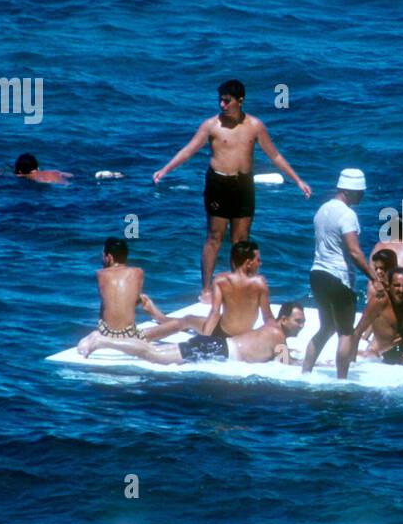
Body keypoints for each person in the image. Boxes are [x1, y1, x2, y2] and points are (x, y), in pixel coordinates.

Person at [151, 79, 312, 302]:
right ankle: (206, 289)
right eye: (220, 100)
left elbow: (274, 155)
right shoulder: (211, 125)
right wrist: (165, 169)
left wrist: (298, 181)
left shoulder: (255, 126)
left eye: (227, 101)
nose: (222, 105)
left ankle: (238, 286)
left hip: (243, 185)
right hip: (218, 184)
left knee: (241, 240)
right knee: (215, 237)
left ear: (240, 101)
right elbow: (189, 150)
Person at [301, 169, 382, 379]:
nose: (363, 195)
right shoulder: (348, 215)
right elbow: (354, 252)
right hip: (338, 277)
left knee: (325, 327)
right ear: (352, 191)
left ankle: (305, 372)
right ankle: (342, 380)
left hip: (317, 274)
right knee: (346, 331)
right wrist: (374, 277)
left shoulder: (322, 210)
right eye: (361, 191)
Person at [78, 302, 307, 365]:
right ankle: (102, 340)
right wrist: (320, 363)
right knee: (154, 355)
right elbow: (287, 363)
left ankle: (105, 339)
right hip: (216, 349)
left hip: (216, 346)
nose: (302, 325)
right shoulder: (278, 335)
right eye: (299, 321)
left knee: (154, 351)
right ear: (284, 319)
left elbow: (279, 353)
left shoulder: (273, 330)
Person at [137, 240, 273, 340]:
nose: (260, 263)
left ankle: (147, 329)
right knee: (195, 320)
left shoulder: (221, 280)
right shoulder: (260, 283)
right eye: (258, 260)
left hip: (223, 332)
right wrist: (279, 342)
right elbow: (268, 317)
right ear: (248, 263)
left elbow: (214, 312)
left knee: (187, 320)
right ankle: (159, 317)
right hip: (245, 335)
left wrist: (205, 340)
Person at [84, 237, 148, 341]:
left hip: (105, 333)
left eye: (103, 255)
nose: (102, 258)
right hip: (130, 334)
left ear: (109, 257)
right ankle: (180, 323)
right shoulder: (138, 272)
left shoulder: (100, 274)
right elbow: (134, 302)